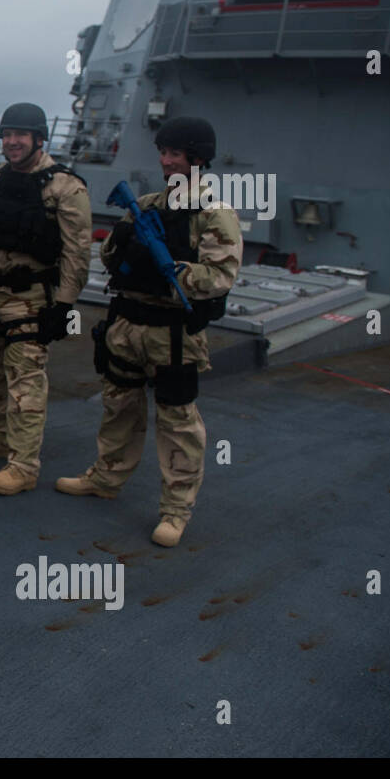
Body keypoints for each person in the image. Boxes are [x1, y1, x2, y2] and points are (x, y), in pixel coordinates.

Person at [55, 117, 242, 547]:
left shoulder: (214, 213)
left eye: (175, 154)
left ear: (198, 159)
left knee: (177, 422)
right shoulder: (147, 205)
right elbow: (108, 254)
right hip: (127, 324)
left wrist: (173, 270)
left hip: (173, 333)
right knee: (119, 405)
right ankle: (106, 478)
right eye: (163, 153)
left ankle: (176, 511)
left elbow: (221, 275)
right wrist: (128, 248)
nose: (166, 161)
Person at [0, 103, 92, 495]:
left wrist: (63, 305)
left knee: (26, 381)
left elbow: (77, 253)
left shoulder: (65, 187)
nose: (12, 142)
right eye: (7, 134)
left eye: (21, 135)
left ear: (38, 138)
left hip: (30, 298)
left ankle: (24, 466)